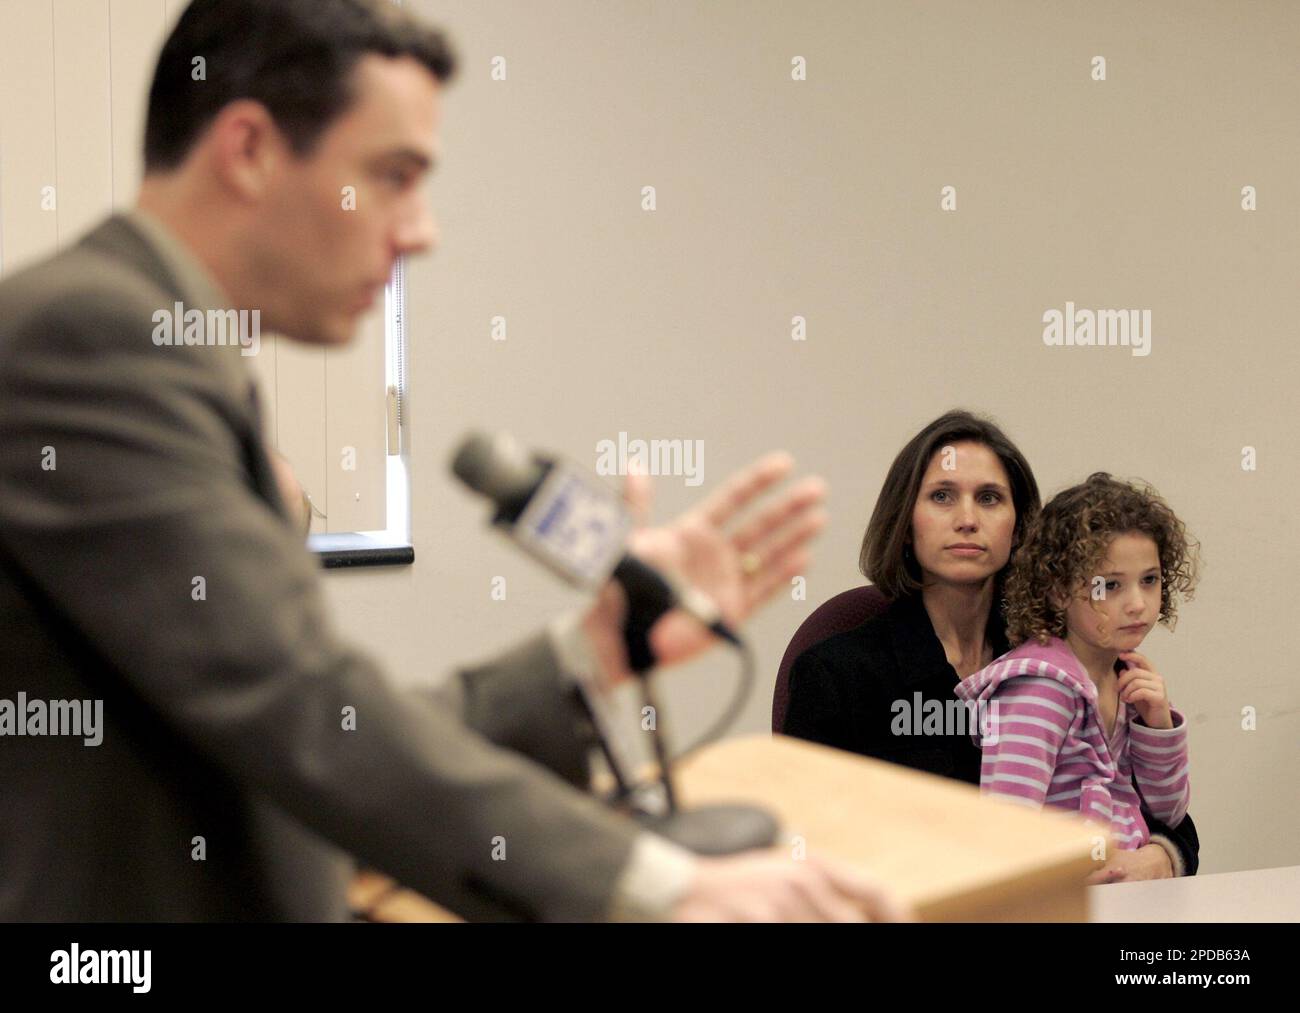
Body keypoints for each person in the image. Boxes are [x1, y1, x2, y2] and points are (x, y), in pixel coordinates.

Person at [0, 0, 907, 922]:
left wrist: (586, 652)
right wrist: (659, 887)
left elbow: (306, 718)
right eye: (393, 176)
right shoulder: (92, 335)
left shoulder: (172, 346)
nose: (421, 230)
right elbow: (298, 704)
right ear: (250, 150)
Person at [781, 410, 1201, 881]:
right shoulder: (839, 673)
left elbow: (1160, 810)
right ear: (905, 520)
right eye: (942, 496)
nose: (967, 520)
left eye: (989, 498)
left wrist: (1159, 858)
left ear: (1020, 527)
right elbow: (805, 852)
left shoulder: (1068, 652)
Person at [954, 473, 1197, 849]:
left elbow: (1169, 813)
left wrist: (1159, 726)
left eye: (1149, 579)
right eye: (1110, 586)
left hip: (1127, 898)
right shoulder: (1039, 688)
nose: (1137, 603)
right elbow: (1004, 832)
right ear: (1058, 592)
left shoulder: (1129, 680)